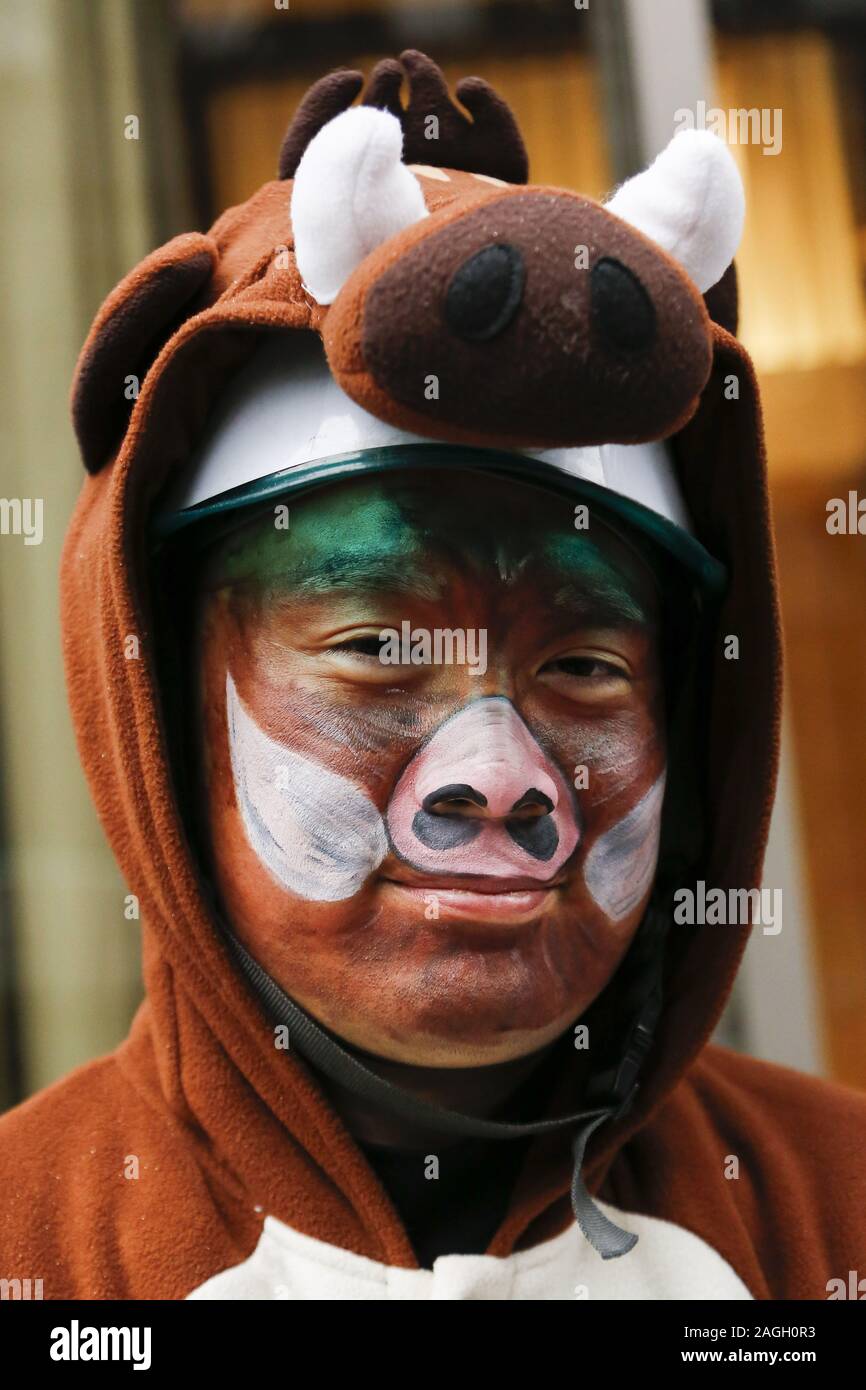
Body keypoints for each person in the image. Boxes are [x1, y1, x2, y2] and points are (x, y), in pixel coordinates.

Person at [1, 50, 864, 1300]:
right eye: (370, 648)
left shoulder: (828, 1217)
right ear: (160, 705)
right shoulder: (37, 1249)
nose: (500, 783)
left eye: (579, 665)